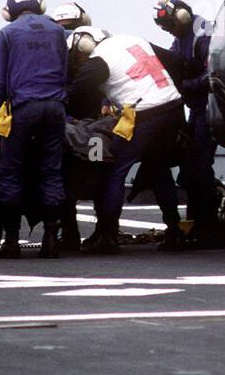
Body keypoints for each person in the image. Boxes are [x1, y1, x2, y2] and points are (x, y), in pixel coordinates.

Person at [67, 27, 184, 254]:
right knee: (159, 169)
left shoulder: (97, 61)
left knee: (114, 170)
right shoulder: (133, 37)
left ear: (83, 47)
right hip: (173, 108)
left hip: (146, 115)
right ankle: (174, 230)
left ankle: (108, 236)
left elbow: (75, 93)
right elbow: (176, 61)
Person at [0, 0, 68, 259]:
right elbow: (65, 70)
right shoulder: (57, 31)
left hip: (23, 108)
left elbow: (1, 81)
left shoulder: (8, 33)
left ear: (8, 12)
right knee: (51, 171)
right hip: (56, 107)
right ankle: (50, 240)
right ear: (40, 6)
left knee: (11, 171)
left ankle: (11, 242)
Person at [153, 0, 219, 248]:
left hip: (211, 110)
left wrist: (184, 86)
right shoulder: (180, 40)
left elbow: (212, 74)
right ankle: (197, 223)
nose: (168, 31)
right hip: (196, 110)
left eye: (169, 26)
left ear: (180, 17)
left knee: (200, 168)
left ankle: (209, 228)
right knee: (190, 170)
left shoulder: (203, 37)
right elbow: (174, 66)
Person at [49, 0, 92, 252]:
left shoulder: (48, 45)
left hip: (56, 116)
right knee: (100, 171)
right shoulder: (89, 42)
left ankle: (66, 231)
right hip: (87, 120)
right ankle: (104, 232)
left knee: (57, 173)